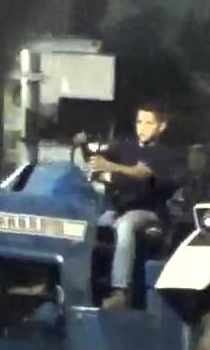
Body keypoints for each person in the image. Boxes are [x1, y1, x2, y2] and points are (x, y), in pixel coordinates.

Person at [77, 102, 182, 310]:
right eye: (139, 121)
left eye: (149, 123)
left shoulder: (165, 155)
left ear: (161, 127)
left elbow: (142, 172)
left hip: (150, 213)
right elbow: (96, 158)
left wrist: (110, 167)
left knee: (125, 225)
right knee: (85, 225)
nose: (142, 127)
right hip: (117, 209)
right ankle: (77, 285)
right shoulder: (125, 147)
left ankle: (120, 291)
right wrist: (84, 146)